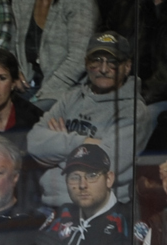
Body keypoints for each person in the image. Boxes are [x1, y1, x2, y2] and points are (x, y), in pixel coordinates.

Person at [26, 31, 149, 206]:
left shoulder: (134, 110)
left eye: (112, 62)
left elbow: (106, 164)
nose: (104, 69)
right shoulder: (72, 97)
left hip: (97, 211)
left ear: (127, 66)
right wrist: (88, 142)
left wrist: (55, 151)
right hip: (49, 204)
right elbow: (33, 142)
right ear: (86, 63)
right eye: (96, 60)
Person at [37, 141, 129, 245]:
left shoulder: (127, 219)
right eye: (75, 177)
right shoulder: (64, 214)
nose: (82, 185)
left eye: (92, 176)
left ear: (109, 179)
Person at [8, 0, 96, 104]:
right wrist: (14, 70)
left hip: (64, 88)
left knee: (30, 116)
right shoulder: (22, 2)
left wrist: (44, 93)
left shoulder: (80, 3)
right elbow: (11, 42)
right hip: (25, 85)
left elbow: (79, 58)